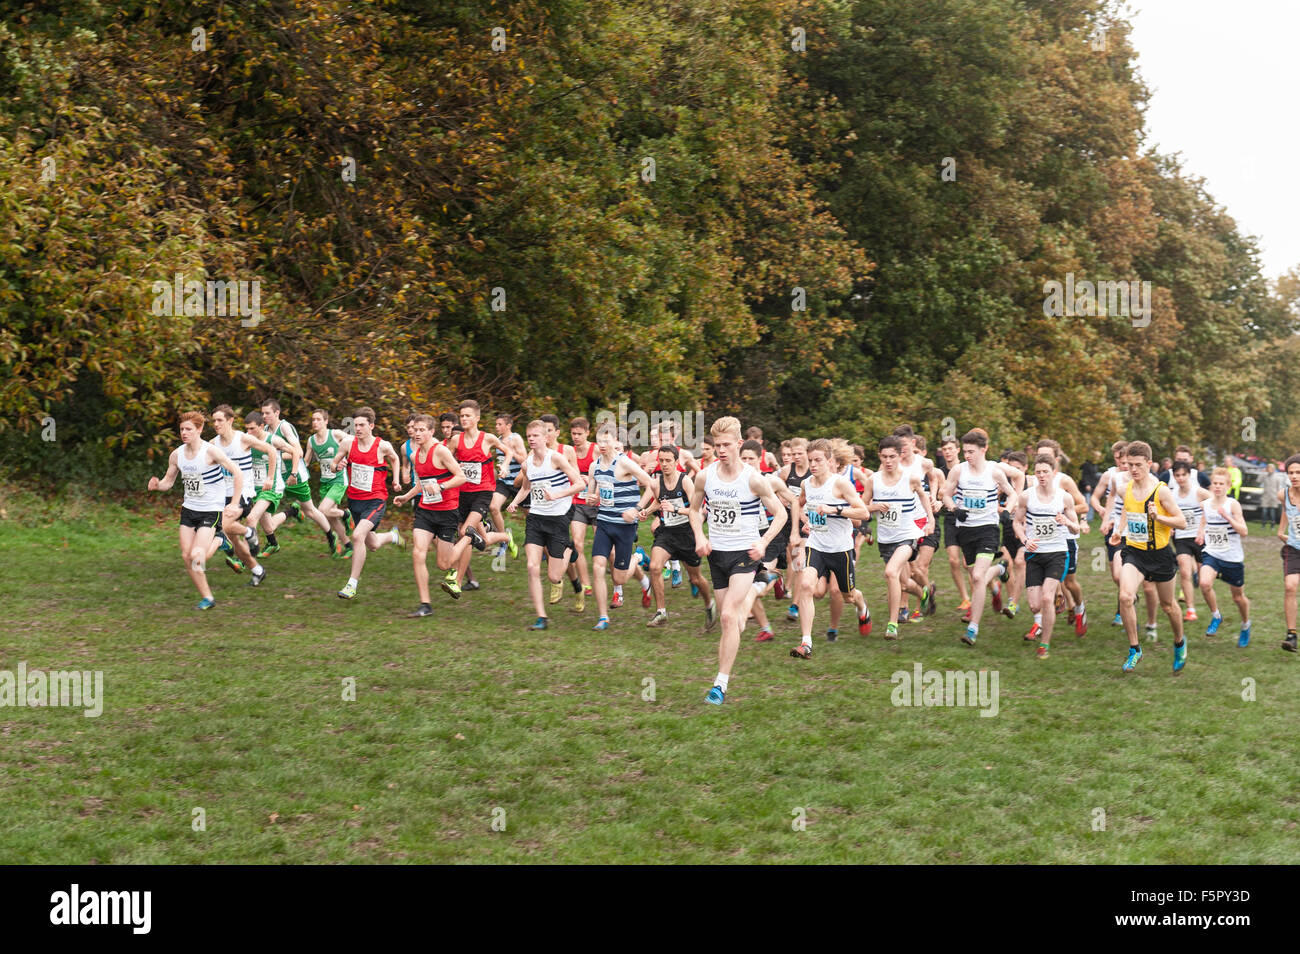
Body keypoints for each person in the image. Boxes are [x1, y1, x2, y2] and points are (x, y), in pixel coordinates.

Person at [688, 417, 787, 705]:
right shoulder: (705, 476)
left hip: (744, 554)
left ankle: (719, 685)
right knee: (732, 623)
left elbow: (780, 514)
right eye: (717, 445)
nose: (720, 450)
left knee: (730, 616)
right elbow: (694, 511)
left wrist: (763, 541)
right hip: (717, 554)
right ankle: (759, 587)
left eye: (726, 445)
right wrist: (698, 536)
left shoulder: (753, 479)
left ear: (739, 444)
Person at [147, 411, 247, 609]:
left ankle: (220, 540)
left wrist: (234, 503)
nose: (184, 433)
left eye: (189, 429)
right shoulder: (177, 455)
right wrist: (157, 485)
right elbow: (169, 481)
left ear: (199, 429)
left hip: (211, 510)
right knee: (187, 556)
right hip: (189, 510)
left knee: (197, 556)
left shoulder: (211, 452)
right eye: (182, 429)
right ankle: (208, 598)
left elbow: (237, 473)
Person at [1108, 441, 1187, 673]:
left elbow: (1181, 521)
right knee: (1125, 597)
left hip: (1160, 555)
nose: (1133, 469)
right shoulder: (1125, 488)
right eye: (1129, 465)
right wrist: (1118, 530)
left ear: (1149, 464)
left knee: (1168, 606)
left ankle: (1179, 643)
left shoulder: (1160, 490)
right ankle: (1135, 649)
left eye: (1138, 465)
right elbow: (1127, 509)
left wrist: (1159, 518)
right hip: (1134, 551)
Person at [940, 429, 1018, 646]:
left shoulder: (994, 472)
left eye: (971, 451)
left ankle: (972, 627)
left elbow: (1012, 494)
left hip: (988, 529)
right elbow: (945, 494)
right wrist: (954, 509)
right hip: (965, 529)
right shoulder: (958, 471)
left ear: (984, 450)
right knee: (975, 574)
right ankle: (1000, 569)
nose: (967, 455)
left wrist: (1006, 512)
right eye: (965, 451)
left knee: (977, 578)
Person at [508, 419, 585, 629]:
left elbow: (580, 483)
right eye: (529, 436)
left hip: (558, 518)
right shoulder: (527, 463)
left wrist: (558, 494)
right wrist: (515, 502)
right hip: (536, 518)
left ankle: (570, 550)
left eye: (535, 436)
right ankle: (541, 617)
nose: (531, 439)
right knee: (532, 567)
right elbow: (526, 487)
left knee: (554, 576)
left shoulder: (556, 458)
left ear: (545, 437)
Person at [393, 414, 473, 617]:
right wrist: (406, 496)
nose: (417, 433)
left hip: (447, 512)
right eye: (415, 429)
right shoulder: (414, 456)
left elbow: (461, 477)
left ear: (431, 432)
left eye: (421, 430)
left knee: (444, 564)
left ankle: (470, 537)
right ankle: (425, 604)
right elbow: (422, 483)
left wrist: (442, 486)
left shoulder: (441, 452)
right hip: (425, 511)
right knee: (418, 553)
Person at [586, 423, 656, 630]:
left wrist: (636, 509)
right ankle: (603, 617)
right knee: (598, 567)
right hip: (605, 522)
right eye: (599, 440)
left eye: (606, 440)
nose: (602, 445)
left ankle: (638, 557)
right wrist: (592, 498)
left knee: (620, 577)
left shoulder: (624, 463)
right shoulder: (594, 466)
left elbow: (652, 485)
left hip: (625, 525)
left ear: (616, 442)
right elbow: (594, 495)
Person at [863, 435, 932, 642]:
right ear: (879, 457)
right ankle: (924, 594)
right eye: (884, 457)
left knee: (890, 572)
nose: (888, 461)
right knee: (903, 582)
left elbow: (922, 495)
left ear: (899, 456)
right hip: (886, 539)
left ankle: (892, 624)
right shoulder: (873, 480)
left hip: (907, 536)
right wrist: (873, 507)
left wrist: (931, 520)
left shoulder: (910, 477)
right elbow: (860, 507)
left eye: (892, 456)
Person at [643, 443, 716, 629]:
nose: (665, 464)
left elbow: (696, 510)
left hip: (686, 534)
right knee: (655, 566)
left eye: (668, 460)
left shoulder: (685, 481)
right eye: (661, 460)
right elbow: (658, 503)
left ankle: (709, 604)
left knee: (696, 579)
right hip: (667, 533)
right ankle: (661, 612)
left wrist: (675, 509)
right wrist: (645, 511)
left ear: (676, 462)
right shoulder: (656, 482)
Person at [1014, 454, 1080, 658]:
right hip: (1034, 553)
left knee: (1046, 597)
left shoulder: (1064, 497)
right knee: (1034, 604)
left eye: (1045, 472)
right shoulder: (1026, 496)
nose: (1041, 476)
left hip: (1057, 553)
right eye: (1038, 472)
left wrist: (1067, 522)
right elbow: (1016, 522)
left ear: (1054, 473)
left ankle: (1045, 644)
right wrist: (1025, 541)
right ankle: (1041, 623)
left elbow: (1076, 530)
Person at [335, 407, 404, 600]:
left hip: (376, 500)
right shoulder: (348, 444)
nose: (357, 428)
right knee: (371, 543)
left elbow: (395, 458)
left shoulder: (383, 446)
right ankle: (392, 536)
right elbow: (333, 464)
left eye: (362, 425)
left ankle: (351, 584)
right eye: (355, 425)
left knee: (357, 536)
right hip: (355, 501)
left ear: (371, 426)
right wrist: (337, 466)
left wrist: (396, 480)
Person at [261, 399, 338, 554]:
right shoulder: (265, 429)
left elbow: (299, 452)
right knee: (264, 510)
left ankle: (331, 536)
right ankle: (273, 539)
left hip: (294, 476)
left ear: (277, 413)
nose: (264, 416)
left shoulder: (284, 427)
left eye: (267, 413)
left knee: (310, 510)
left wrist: (279, 459)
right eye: (262, 413)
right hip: (276, 478)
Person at [1197, 467, 1251, 646]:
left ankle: (1245, 625)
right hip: (1212, 552)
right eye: (1215, 483)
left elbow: (1244, 531)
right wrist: (1200, 533)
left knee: (1238, 598)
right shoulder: (1205, 504)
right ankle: (1216, 616)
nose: (1217, 487)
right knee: (1204, 583)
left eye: (1221, 484)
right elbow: (1204, 522)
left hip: (1232, 557)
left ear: (1228, 486)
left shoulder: (1232, 504)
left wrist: (1227, 517)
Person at [304, 409, 354, 558]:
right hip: (325, 481)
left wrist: (346, 458)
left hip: (338, 480)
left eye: (319, 419)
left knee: (323, 510)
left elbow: (354, 442)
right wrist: (293, 470)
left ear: (326, 421)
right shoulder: (311, 441)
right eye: (313, 420)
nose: (315, 422)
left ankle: (346, 514)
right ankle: (348, 546)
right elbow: (306, 461)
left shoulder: (335, 434)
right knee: (332, 519)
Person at [1169, 460, 1211, 623]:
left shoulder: (1198, 492)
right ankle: (1191, 610)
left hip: (1200, 538)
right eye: (1177, 475)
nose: (1180, 478)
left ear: (1189, 475)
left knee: (1203, 581)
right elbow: (1168, 512)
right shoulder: (1172, 495)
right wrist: (1170, 526)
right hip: (1181, 538)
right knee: (1184, 572)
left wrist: (1203, 528)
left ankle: (1213, 610)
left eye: (1183, 475)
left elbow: (1216, 503)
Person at [937, 436, 971, 610]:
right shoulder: (940, 471)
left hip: (968, 517)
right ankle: (966, 598)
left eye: (951, 448)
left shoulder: (967, 468)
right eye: (945, 449)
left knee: (968, 563)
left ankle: (989, 584)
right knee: (953, 561)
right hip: (950, 518)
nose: (947, 452)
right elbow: (940, 494)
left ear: (958, 450)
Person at [1276, 454, 1300, 652]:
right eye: (1291, 473)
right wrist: (1281, 530)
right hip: (1293, 548)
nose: (1294, 476)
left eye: (1298, 472)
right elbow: (1286, 509)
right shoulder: (1283, 494)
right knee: (1290, 587)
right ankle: (1291, 635)